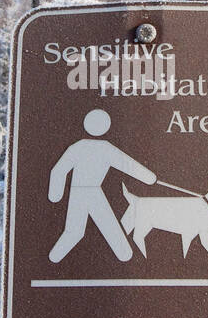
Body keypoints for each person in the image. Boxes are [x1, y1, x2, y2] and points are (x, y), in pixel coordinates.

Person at [47, 109, 156, 262]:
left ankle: (55, 257)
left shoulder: (80, 147)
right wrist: (149, 178)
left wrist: (56, 194)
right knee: (94, 228)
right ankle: (54, 258)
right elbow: (128, 165)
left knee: (77, 230)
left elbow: (59, 170)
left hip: (82, 193)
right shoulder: (103, 148)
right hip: (89, 193)